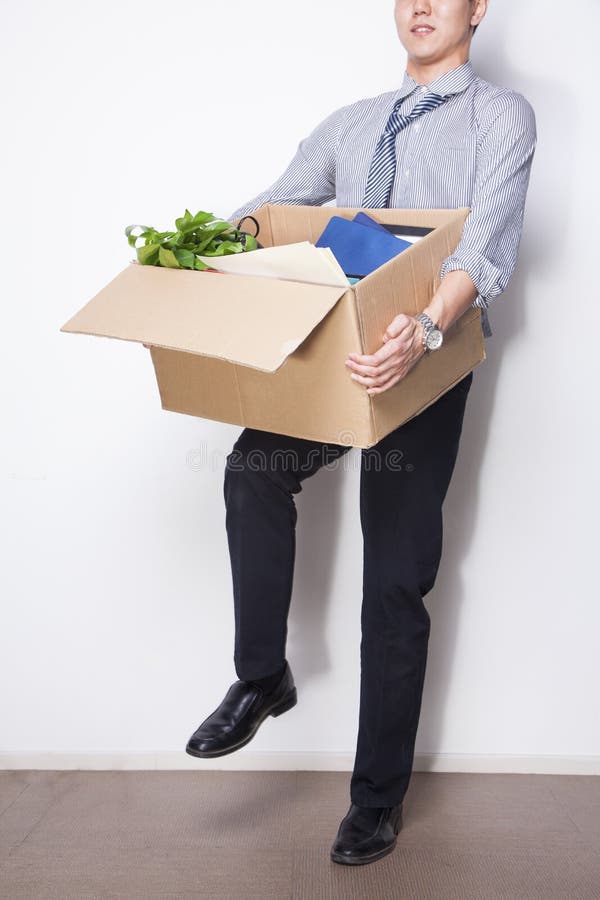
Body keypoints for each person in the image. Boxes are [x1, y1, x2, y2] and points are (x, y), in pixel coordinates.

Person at [185, 0, 536, 867]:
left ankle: (375, 800)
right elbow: (274, 208)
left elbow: (483, 247)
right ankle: (263, 677)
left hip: (425, 361)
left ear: (476, 8)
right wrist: (189, 251)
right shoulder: (352, 123)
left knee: (393, 580)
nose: (421, 6)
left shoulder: (500, 117)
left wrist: (418, 332)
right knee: (253, 468)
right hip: (336, 357)